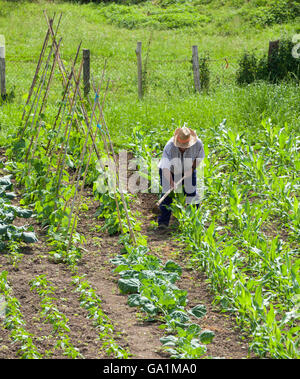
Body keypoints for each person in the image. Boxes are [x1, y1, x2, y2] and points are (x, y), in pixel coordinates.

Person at [157, 124, 205, 231]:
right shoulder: (169, 146)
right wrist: (171, 183)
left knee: (191, 194)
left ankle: (193, 220)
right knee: (167, 194)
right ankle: (163, 223)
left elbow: (199, 158)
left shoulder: (198, 144)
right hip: (170, 170)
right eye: (181, 146)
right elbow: (165, 168)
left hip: (188, 169)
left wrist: (191, 170)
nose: (183, 148)